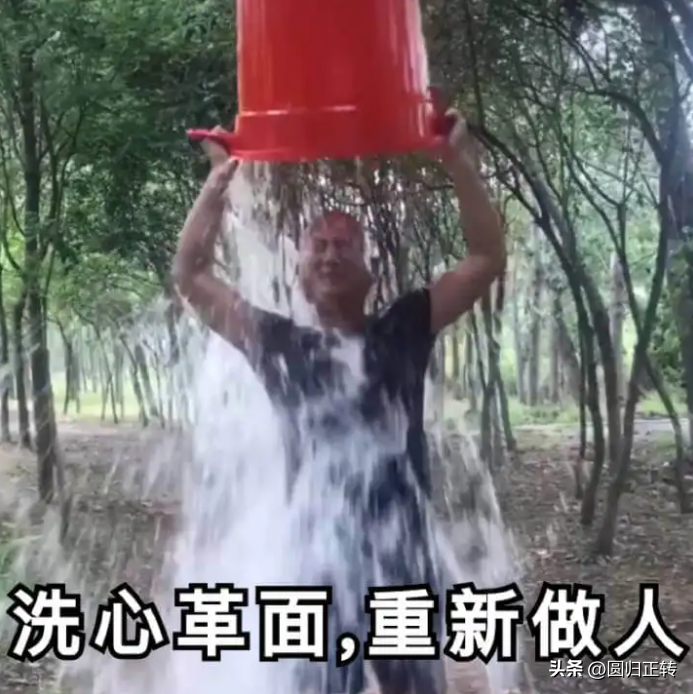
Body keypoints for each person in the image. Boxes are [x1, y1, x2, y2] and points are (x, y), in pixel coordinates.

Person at [172, 92, 505, 694]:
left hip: (402, 560)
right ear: (299, 270)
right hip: (313, 566)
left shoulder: (404, 329)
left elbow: (485, 258)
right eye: (318, 246)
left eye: (345, 246)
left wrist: (457, 163)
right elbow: (191, 277)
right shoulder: (280, 345)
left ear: (370, 272)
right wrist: (219, 180)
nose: (330, 256)